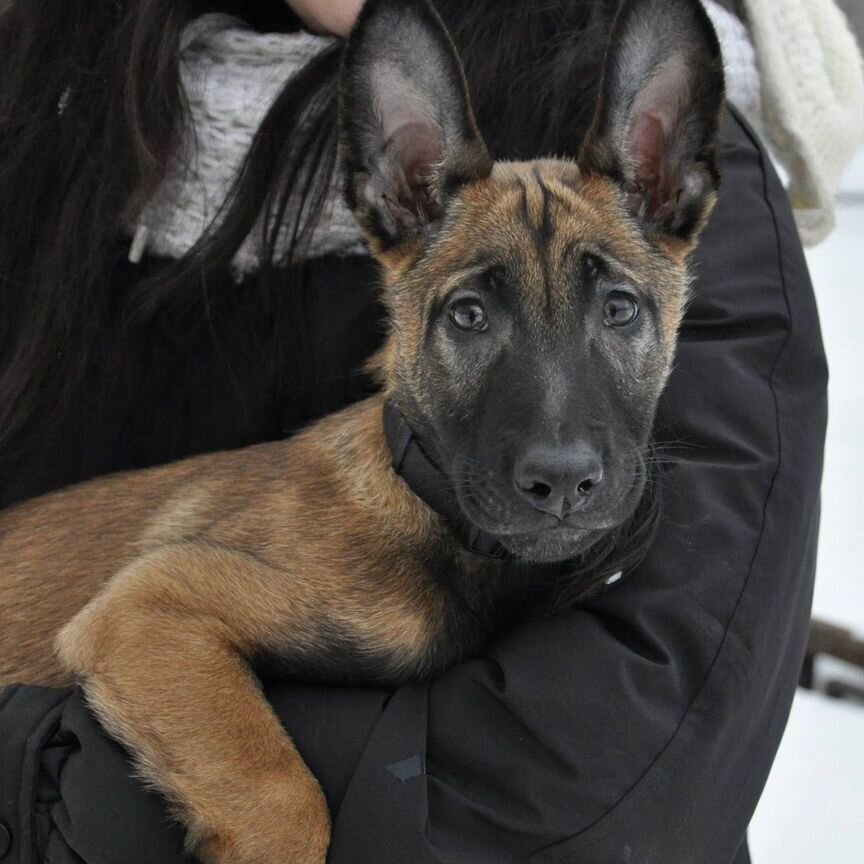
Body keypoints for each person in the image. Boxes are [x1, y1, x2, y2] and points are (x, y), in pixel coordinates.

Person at [0, 0, 835, 862]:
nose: (559, 446)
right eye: (472, 312)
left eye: (615, 307)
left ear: (674, 186)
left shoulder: (670, 217)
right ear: (393, 193)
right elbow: (149, 625)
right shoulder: (60, 104)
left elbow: (632, 773)